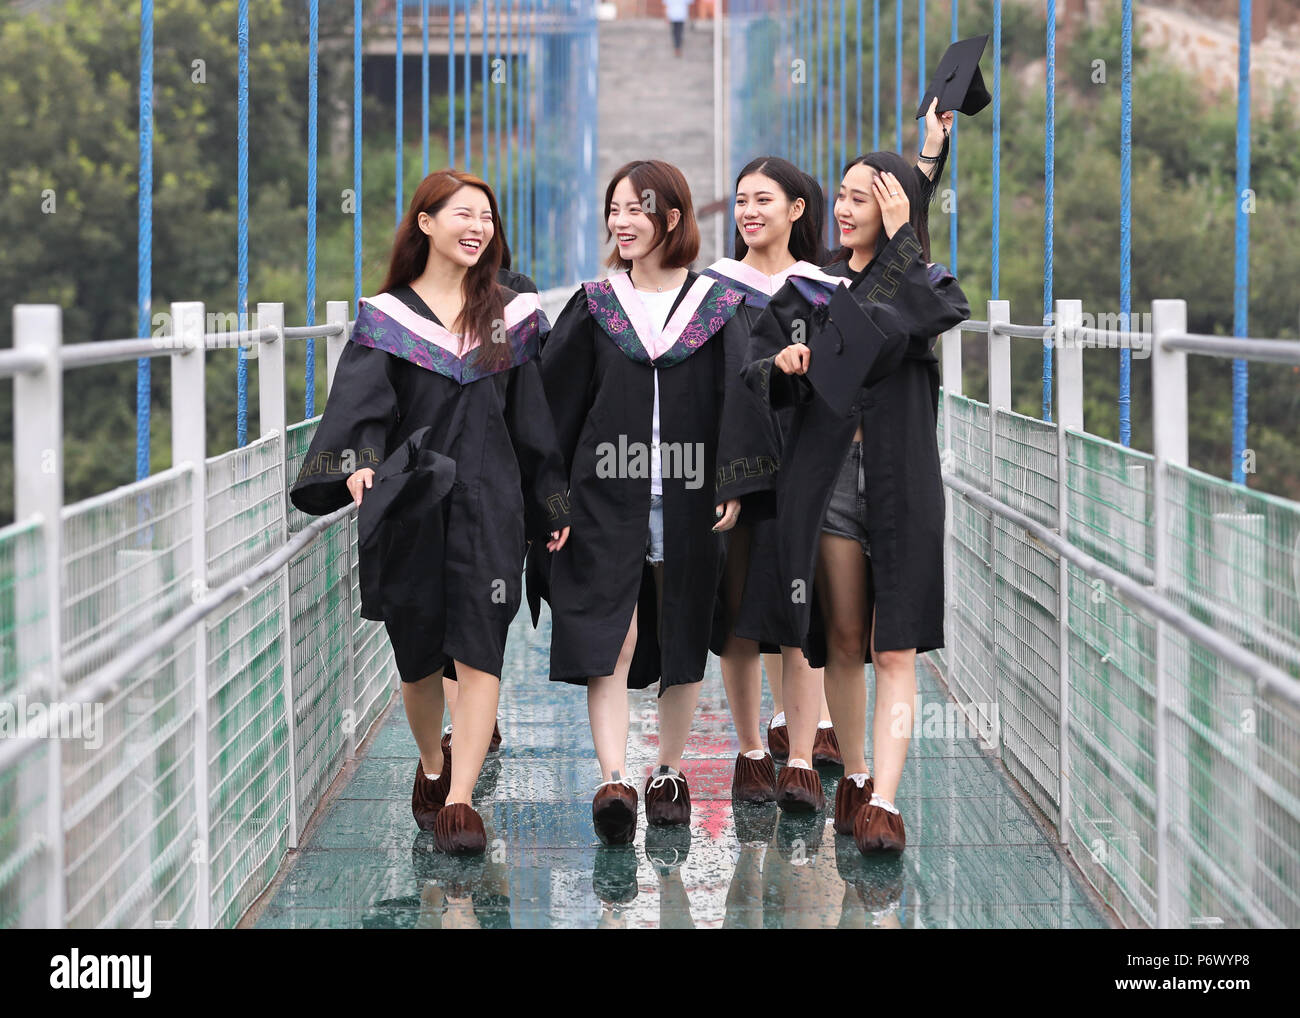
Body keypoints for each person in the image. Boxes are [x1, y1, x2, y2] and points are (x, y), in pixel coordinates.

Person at [289, 168, 571, 856]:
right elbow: (360, 413)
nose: (478, 228)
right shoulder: (386, 321)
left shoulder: (508, 318)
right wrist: (359, 462)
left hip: (491, 506)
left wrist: (551, 501)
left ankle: (461, 803)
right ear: (425, 223)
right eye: (463, 215)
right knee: (418, 661)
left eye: (487, 218)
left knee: (480, 650)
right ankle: (433, 761)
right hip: (410, 505)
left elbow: (532, 421)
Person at [528, 158, 777, 846]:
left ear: (671, 217)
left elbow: (742, 396)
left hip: (691, 494)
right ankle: (614, 778)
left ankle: (666, 771)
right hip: (604, 491)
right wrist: (553, 499)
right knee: (612, 627)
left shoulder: (718, 308)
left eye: (635, 208)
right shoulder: (593, 306)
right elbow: (553, 407)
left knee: (682, 626)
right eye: (613, 210)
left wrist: (734, 479)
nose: (621, 221)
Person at [742, 146, 969, 855]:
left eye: (860, 200)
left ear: (894, 212)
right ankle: (858, 775)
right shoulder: (809, 286)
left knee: (894, 645)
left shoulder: (925, 282)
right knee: (841, 638)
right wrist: (780, 365)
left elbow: (927, 316)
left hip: (903, 480)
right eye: (840, 196)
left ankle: (886, 805)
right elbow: (756, 366)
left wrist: (905, 242)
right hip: (829, 478)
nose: (842, 210)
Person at [702, 157, 846, 806]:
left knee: (802, 609)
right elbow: (699, 390)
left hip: (807, 465)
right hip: (734, 466)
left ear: (796, 210)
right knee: (736, 615)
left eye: (764, 199)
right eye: (740, 201)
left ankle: (799, 761)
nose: (749, 211)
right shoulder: (710, 293)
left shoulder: (826, 291)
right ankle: (751, 752)